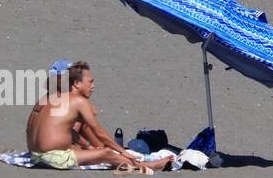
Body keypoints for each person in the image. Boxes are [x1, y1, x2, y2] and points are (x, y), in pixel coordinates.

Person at [26, 61, 174, 171]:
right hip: (53, 157)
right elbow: (99, 131)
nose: (93, 86)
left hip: (35, 154)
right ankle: (148, 166)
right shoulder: (77, 101)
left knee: (91, 150)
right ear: (75, 83)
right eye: (90, 82)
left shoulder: (47, 98)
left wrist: (88, 146)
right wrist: (122, 152)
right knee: (107, 153)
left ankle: (103, 151)